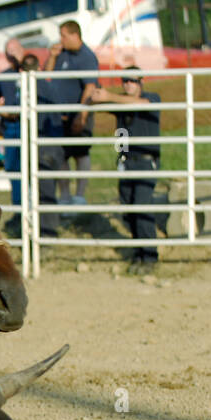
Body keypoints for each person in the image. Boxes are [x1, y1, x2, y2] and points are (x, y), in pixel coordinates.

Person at [90, 67, 161, 275]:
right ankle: (138, 253)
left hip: (145, 162)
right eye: (125, 81)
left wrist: (109, 96)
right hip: (126, 162)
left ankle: (149, 255)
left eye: (133, 81)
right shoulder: (120, 101)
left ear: (141, 82)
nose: (128, 84)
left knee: (141, 207)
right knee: (129, 210)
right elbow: (96, 103)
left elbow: (142, 104)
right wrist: (96, 95)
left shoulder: (151, 98)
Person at [44, 21, 100, 216]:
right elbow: (46, 75)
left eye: (64, 35)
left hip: (78, 114)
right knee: (62, 156)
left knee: (81, 153)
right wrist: (52, 56)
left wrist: (81, 116)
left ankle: (80, 196)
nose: (61, 40)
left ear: (75, 35)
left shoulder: (86, 57)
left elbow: (90, 87)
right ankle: (65, 196)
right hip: (60, 115)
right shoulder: (62, 54)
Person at [0, 38, 26, 238]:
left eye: (15, 50)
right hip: (11, 126)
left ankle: (35, 213)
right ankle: (19, 212)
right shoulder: (3, 76)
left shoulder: (32, 71)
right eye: (8, 51)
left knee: (32, 170)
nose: (12, 54)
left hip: (30, 125)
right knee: (14, 170)